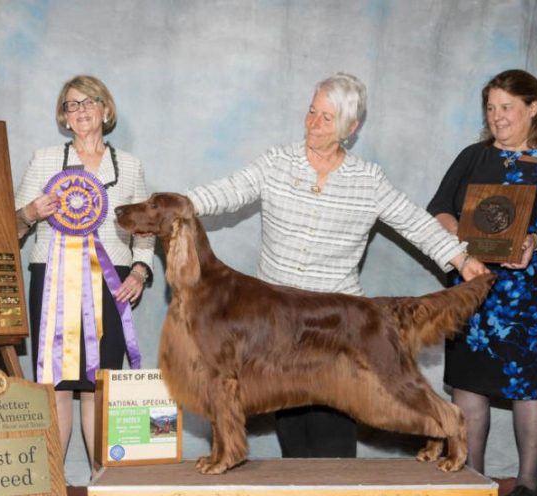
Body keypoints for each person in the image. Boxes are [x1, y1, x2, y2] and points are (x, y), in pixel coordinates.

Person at [188, 72, 488, 459]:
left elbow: (415, 222)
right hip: (278, 320)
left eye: (326, 118)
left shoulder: (368, 180)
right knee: (294, 434)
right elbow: (227, 191)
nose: (313, 123)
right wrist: (177, 204)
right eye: (311, 112)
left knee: (334, 438)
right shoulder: (276, 163)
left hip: (338, 325)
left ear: (351, 127)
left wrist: (461, 258)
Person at [427, 69, 537, 496]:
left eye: (507, 107)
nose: (497, 117)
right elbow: (440, 210)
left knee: (529, 384)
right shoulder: (473, 156)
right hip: (473, 287)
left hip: (533, 292)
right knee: (468, 385)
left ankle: (527, 481)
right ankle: (472, 477)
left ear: (533, 108)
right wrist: (461, 242)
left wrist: (535, 239)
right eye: (491, 108)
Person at [15, 75, 154, 475]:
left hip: (112, 283)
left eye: (89, 102)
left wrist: (141, 271)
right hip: (52, 278)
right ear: (63, 115)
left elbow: (144, 232)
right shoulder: (43, 160)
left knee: (100, 385)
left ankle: (103, 486)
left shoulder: (129, 166)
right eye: (72, 104)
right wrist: (29, 213)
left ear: (106, 109)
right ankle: (52, 491)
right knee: (56, 386)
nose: (81, 110)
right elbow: (10, 226)